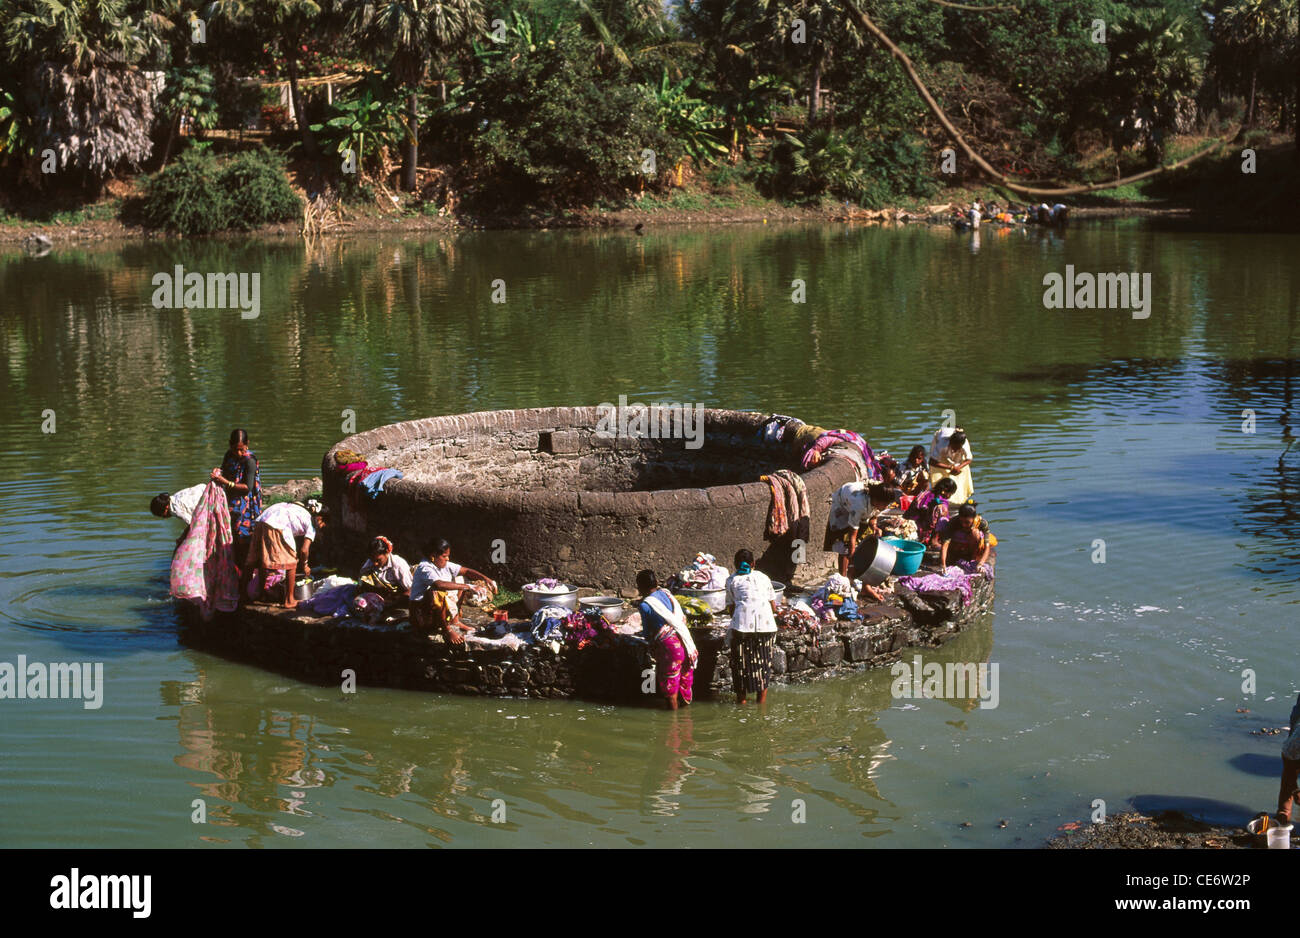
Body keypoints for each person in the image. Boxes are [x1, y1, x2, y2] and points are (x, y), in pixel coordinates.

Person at [409, 538, 497, 645]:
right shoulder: (425, 568)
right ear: (433, 556)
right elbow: (439, 585)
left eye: (448, 556)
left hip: (436, 613)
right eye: (444, 556)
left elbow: (466, 571)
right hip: (423, 616)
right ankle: (447, 630)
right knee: (436, 592)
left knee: (460, 580)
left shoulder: (444, 565)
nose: (447, 559)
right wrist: (469, 586)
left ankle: (455, 621)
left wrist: (486, 579)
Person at [244, 500, 327, 608]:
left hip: (263, 520)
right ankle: (289, 600)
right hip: (278, 525)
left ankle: (256, 594)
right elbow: (304, 550)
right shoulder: (311, 522)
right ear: (320, 518)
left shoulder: (299, 509)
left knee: (260, 558)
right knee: (291, 562)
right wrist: (305, 565)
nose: (321, 528)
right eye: (323, 525)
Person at [636, 570, 698, 710]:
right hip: (684, 641)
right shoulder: (666, 594)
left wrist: (649, 639)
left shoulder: (645, 605)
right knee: (684, 679)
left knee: (670, 685)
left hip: (670, 648)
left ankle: (673, 719)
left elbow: (647, 632)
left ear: (640, 587)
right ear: (656, 583)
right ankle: (686, 718)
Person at [724, 549, 779, 705]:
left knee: (740, 665)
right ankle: (761, 704)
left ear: (735, 565)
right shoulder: (764, 577)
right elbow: (773, 607)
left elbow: (731, 608)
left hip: (742, 628)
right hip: (767, 627)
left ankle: (741, 702)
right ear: (753, 563)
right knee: (763, 665)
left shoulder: (731, 580)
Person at [824, 481, 902, 576]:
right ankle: (843, 576)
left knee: (863, 539)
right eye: (885, 504)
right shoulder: (859, 504)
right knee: (845, 545)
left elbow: (873, 517)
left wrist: (874, 527)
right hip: (842, 505)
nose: (886, 507)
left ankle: (854, 574)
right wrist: (852, 552)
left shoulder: (880, 502)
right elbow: (852, 533)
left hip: (859, 508)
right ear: (877, 500)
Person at [211, 429, 261, 567]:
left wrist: (226, 482)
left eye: (241, 449)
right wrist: (218, 472)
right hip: (232, 499)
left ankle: (244, 568)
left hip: (246, 503)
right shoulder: (229, 455)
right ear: (229, 445)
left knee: (243, 536)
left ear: (247, 444)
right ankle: (233, 566)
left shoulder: (249, 460)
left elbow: (247, 487)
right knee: (230, 533)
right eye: (235, 449)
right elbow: (224, 470)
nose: (238, 453)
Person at [358, 535, 413, 605]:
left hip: (397, 602)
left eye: (378, 560)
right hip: (379, 600)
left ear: (387, 553)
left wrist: (393, 601)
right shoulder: (369, 564)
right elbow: (361, 584)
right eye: (372, 560)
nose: (375, 563)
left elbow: (411, 590)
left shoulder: (398, 566)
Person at [940, 503, 994, 571]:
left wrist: (980, 564)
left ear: (974, 518)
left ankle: (972, 557)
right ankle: (953, 556)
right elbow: (945, 544)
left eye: (967, 522)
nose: (964, 525)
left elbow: (987, 547)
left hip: (972, 545)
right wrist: (943, 564)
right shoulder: (953, 522)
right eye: (961, 521)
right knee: (942, 523)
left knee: (975, 533)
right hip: (957, 545)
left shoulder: (982, 523)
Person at [906, 476, 959, 546]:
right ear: (945, 491)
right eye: (951, 494)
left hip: (911, 525)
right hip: (925, 532)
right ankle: (935, 540)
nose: (950, 496)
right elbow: (941, 520)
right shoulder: (942, 503)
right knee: (944, 519)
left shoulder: (924, 493)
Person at [928, 427, 974, 504]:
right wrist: (950, 467)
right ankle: (939, 499)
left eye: (957, 448)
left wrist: (958, 467)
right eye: (954, 447)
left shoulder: (964, 445)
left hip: (957, 460)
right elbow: (932, 462)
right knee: (939, 478)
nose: (955, 450)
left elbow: (969, 459)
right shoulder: (942, 444)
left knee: (961, 476)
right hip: (941, 457)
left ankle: (957, 502)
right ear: (950, 443)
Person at [1277, 693, 1300, 826]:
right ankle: (1283, 813)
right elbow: (1288, 762)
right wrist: (1295, 790)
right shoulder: (1295, 744)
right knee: (1289, 775)